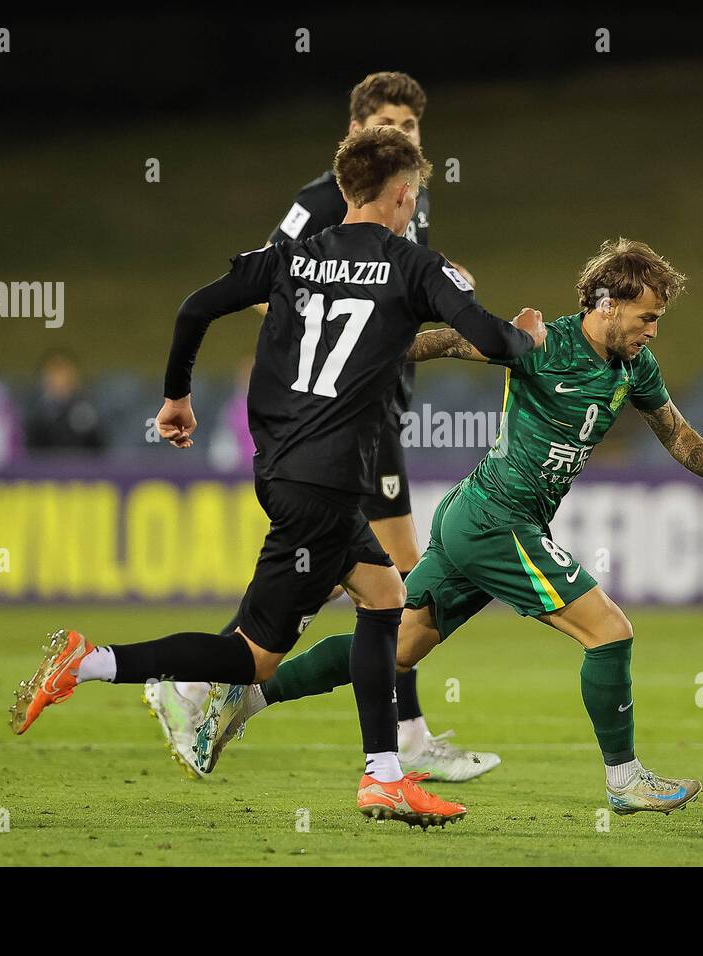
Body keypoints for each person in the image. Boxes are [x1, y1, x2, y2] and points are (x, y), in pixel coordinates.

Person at [9, 127, 543, 827]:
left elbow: (194, 307)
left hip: (288, 468)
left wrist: (176, 396)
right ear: (404, 194)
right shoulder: (414, 265)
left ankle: (384, 774)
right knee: (251, 659)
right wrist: (526, 334)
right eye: (415, 195)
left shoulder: (291, 258)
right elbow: (496, 340)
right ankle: (87, 663)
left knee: (385, 598)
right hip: (323, 487)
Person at [195, 238, 703, 815]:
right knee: (610, 632)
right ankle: (625, 780)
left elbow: (674, 430)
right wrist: (377, 352)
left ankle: (246, 695)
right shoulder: (542, 345)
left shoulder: (635, 366)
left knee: (394, 650)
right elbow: (454, 341)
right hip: (496, 520)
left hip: (476, 518)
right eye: (647, 316)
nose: (653, 330)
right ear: (608, 303)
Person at [148, 70, 498, 783]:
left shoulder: (412, 201)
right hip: (340, 422)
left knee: (340, 577)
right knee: (394, 579)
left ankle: (205, 688)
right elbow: (273, 292)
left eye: (412, 127)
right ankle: (397, 737)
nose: (404, 137)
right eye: (391, 124)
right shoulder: (322, 203)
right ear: (357, 131)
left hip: (374, 417)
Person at [23, 349, 105, 453]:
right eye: (54, 372)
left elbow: (99, 449)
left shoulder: (89, 408)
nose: (59, 379)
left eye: (64, 372)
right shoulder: (32, 409)